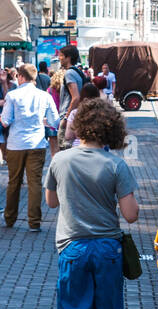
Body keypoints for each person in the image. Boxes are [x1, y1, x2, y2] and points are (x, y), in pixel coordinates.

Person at [44, 97, 139, 309]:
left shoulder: (60, 161)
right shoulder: (116, 165)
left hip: (72, 248)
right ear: (112, 130)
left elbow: (51, 202)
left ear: (79, 125)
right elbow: (130, 215)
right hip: (107, 251)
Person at [2, 63, 60, 229]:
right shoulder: (45, 96)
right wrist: (43, 122)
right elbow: (55, 121)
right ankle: (34, 222)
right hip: (37, 144)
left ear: (20, 76)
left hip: (15, 145)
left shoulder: (13, 96)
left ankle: (10, 218)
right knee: (35, 183)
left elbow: (5, 122)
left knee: (14, 182)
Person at [57, 45, 86, 149]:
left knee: (65, 148)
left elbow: (76, 97)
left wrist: (65, 118)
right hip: (76, 115)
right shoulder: (78, 72)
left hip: (69, 116)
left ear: (68, 57)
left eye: (61, 55)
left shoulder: (69, 73)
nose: (59, 58)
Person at [65, 82, 102, 148]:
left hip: (78, 147)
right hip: (99, 148)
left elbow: (68, 136)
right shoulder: (103, 112)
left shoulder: (74, 113)